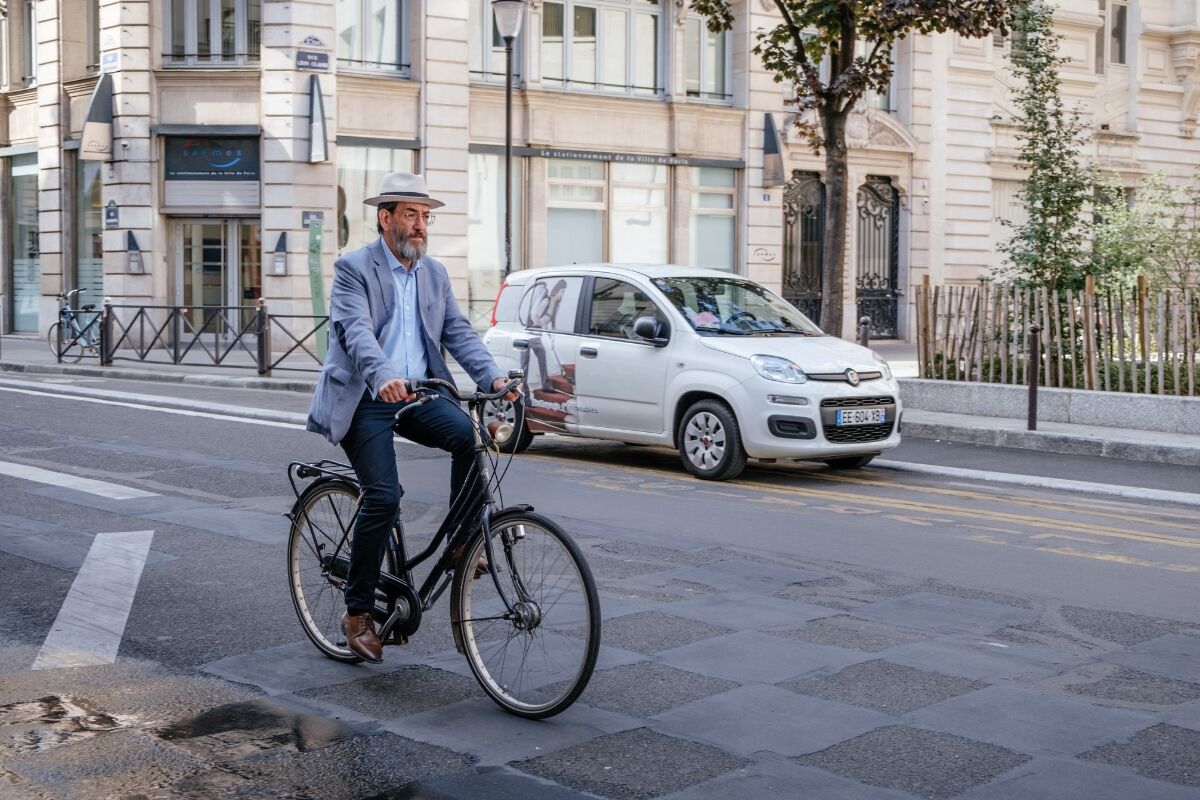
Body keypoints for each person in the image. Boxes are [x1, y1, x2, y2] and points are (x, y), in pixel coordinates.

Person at [306, 172, 517, 664]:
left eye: (426, 217)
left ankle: (465, 542)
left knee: (470, 436)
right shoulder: (353, 269)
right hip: (365, 395)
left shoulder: (434, 274)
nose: (421, 226)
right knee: (383, 495)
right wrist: (381, 375)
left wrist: (493, 379)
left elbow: (459, 333)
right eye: (411, 215)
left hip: (419, 393)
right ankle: (357, 613)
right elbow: (355, 332)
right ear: (386, 219)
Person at [520, 278, 568, 395]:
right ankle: (524, 391)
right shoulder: (546, 301)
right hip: (527, 335)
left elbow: (554, 325)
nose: (563, 294)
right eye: (562, 291)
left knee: (542, 357)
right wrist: (544, 326)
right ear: (558, 290)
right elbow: (534, 316)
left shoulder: (555, 306)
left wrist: (553, 339)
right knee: (524, 365)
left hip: (536, 335)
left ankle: (545, 385)